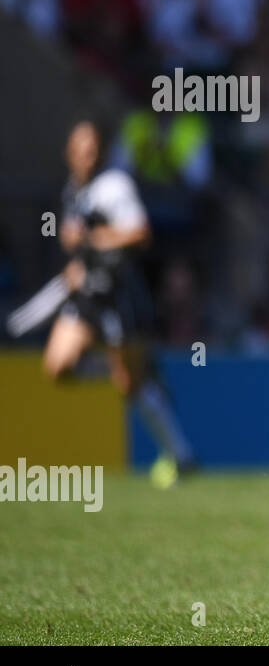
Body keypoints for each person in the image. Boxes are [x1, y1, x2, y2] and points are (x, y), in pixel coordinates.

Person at [42, 121, 197, 489]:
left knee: (132, 384)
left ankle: (181, 454)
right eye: (80, 148)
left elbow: (139, 232)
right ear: (69, 152)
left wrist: (94, 239)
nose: (86, 156)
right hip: (87, 293)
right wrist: (76, 259)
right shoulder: (73, 191)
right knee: (58, 366)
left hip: (117, 294)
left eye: (93, 148)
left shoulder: (115, 185)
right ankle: (121, 369)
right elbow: (74, 238)